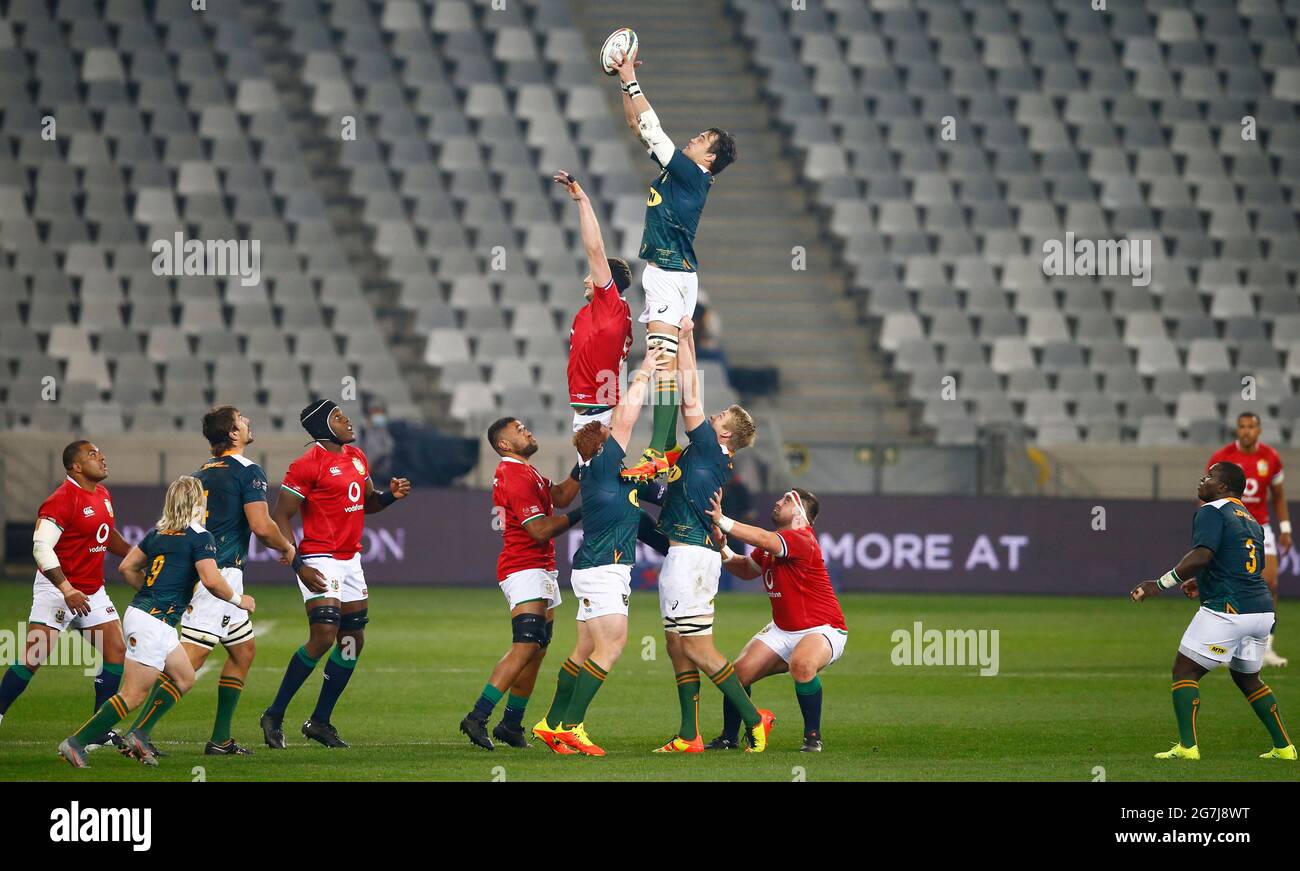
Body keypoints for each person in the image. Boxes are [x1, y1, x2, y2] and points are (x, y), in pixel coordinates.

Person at [124, 407, 295, 757]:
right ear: (233, 433)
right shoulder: (249, 471)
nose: (248, 422)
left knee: (243, 650)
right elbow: (262, 526)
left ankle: (220, 740)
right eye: (242, 419)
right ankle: (139, 732)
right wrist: (288, 546)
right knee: (193, 659)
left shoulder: (199, 472)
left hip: (206, 570)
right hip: (217, 574)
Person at [57, 476, 255, 768]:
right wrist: (240, 600)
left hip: (152, 619)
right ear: (198, 502)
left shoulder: (159, 533)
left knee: (185, 677)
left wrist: (149, 591)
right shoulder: (201, 537)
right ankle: (75, 743)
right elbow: (212, 581)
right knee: (134, 693)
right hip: (151, 622)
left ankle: (139, 735)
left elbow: (127, 566)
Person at [608, 43, 737, 481]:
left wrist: (630, 78)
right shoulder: (682, 173)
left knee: (662, 361)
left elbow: (653, 129)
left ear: (710, 158)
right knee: (665, 360)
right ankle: (662, 447)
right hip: (676, 273)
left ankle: (658, 450)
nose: (692, 140)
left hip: (668, 271)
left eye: (701, 139)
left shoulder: (691, 173)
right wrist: (623, 80)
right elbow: (637, 124)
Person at [532, 348, 668, 756]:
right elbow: (625, 416)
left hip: (595, 569)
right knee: (613, 647)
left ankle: (552, 723)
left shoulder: (602, 472)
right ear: (602, 443)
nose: (619, 439)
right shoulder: (606, 463)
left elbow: (648, 501)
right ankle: (573, 725)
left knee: (586, 649)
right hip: (605, 569)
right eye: (611, 437)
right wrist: (644, 371)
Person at [648, 326, 774, 752]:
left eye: (718, 419)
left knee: (698, 647)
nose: (710, 418)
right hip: (683, 555)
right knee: (675, 644)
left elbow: (689, 396)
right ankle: (689, 735)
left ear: (724, 435)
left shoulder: (707, 449)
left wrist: (684, 341)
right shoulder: (706, 456)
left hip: (692, 560)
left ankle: (756, 718)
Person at [259, 400, 410, 749]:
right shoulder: (305, 465)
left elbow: (368, 503)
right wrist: (297, 561)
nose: (347, 421)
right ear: (323, 427)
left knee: (351, 640)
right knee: (325, 633)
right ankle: (275, 713)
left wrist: (391, 497)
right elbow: (280, 515)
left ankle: (320, 722)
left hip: (350, 561)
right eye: (338, 417)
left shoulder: (357, 457)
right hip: (318, 557)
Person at [1130, 462, 1295, 761]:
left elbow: (1202, 554)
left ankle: (1187, 747)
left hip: (1228, 611)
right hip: (1260, 612)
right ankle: (1284, 748)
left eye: (1209, 476)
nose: (1202, 479)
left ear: (1222, 487)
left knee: (1184, 670)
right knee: (1248, 679)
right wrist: (1202, 583)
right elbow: (1239, 567)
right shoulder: (1253, 521)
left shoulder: (1212, 510)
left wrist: (1160, 583)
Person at [459, 418, 582, 751]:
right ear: (504, 444)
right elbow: (540, 530)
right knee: (526, 645)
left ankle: (511, 724)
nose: (528, 430)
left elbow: (560, 495)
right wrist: (584, 514)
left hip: (541, 569)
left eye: (527, 426)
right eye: (519, 429)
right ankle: (477, 717)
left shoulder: (527, 472)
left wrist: (585, 461)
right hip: (524, 568)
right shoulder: (513, 476)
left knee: (538, 650)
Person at [0, 441, 132, 738]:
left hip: (92, 591)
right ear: (76, 466)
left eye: (100, 452)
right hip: (57, 589)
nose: (102, 457)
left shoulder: (102, 493)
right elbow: (41, 547)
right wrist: (66, 588)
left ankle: (99, 730)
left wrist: (135, 555)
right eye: (93, 454)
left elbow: (106, 535)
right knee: (33, 657)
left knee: (116, 650)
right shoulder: (61, 499)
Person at [708, 488, 848, 752]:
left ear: (799, 513)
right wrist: (723, 547)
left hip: (824, 628)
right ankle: (729, 737)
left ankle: (812, 737)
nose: (777, 502)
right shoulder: (775, 544)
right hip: (784, 629)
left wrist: (723, 520)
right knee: (735, 677)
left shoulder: (802, 538)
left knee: (803, 664)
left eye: (785, 500)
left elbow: (762, 538)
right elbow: (746, 569)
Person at [1206, 412, 1291, 666]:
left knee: (1270, 583)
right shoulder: (1222, 458)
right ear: (1237, 429)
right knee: (1228, 586)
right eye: (1242, 426)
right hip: (1230, 525)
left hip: (1260, 526)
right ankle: (1225, 646)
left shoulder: (1270, 458)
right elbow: (1206, 493)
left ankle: (1265, 647)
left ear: (1259, 430)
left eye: (1251, 427)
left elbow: (1277, 495)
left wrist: (1285, 527)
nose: (1246, 431)